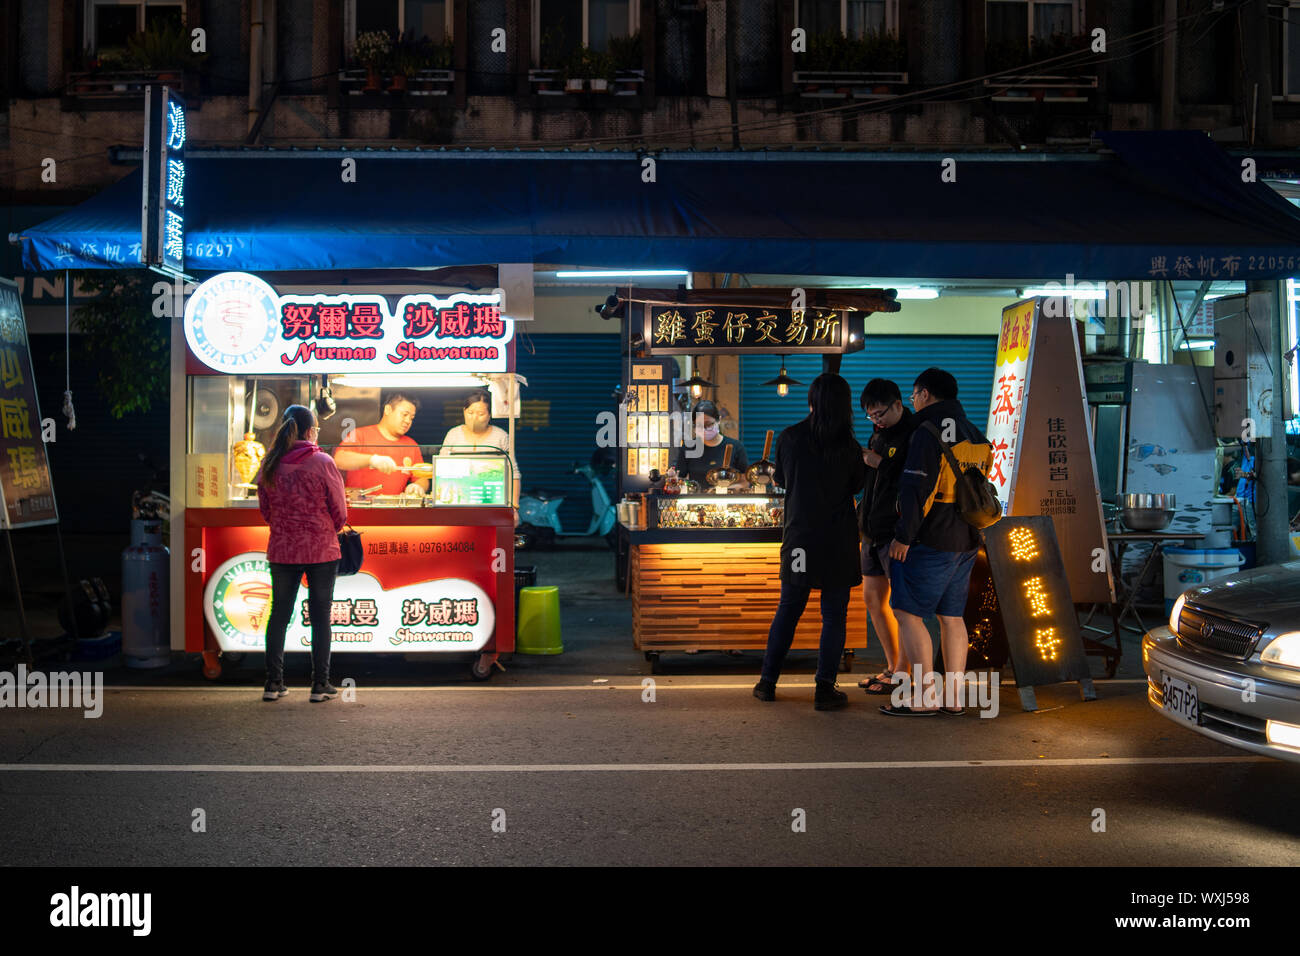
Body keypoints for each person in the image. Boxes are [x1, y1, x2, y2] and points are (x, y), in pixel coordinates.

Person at [882, 368, 993, 717]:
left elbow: (918, 489)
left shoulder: (927, 431)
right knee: (951, 616)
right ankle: (953, 697)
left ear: (925, 394)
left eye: (914, 395)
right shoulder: (975, 432)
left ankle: (925, 696)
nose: (913, 401)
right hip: (967, 538)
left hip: (932, 537)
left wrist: (904, 537)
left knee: (907, 613)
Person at [754, 374, 866, 711]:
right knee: (834, 615)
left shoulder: (789, 438)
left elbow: (782, 480)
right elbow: (857, 486)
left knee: (789, 609)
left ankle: (767, 683)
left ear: (811, 402)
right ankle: (824, 689)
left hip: (800, 538)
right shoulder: (850, 446)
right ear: (847, 407)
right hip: (838, 540)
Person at [255, 405, 348, 704]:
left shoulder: (270, 463)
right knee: (320, 617)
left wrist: (287, 529)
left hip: (283, 550)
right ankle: (320, 685)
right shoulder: (322, 462)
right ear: (310, 431)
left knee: (279, 614)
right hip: (321, 549)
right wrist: (322, 529)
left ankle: (273, 684)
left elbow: (265, 510)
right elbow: (340, 511)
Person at [855, 379, 915, 696]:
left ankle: (903, 673)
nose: (876, 420)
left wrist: (882, 463)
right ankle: (892, 666)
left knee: (902, 606)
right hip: (871, 528)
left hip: (896, 531)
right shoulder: (878, 434)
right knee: (873, 601)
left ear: (897, 404)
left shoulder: (914, 433)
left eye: (880, 413)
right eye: (870, 415)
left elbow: (918, 481)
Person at [439, 388, 521, 509]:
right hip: (458, 501)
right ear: (464, 411)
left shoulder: (500, 436)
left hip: (492, 501)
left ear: (489, 415)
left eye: (481, 414)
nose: (474, 418)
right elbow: (441, 470)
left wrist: (514, 507)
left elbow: (513, 473)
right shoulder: (453, 434)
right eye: (470, 412)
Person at [332, 392, 427, 496]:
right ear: (388, 410)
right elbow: (339, 459)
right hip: (359, 506)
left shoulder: (411, 445)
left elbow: (422, 477)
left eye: (412, 418)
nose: (408, 421)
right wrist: (372, 460)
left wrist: (418, 486)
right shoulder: (359, 434)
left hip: (394, 508)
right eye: (404, 415)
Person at [670, 399, 750, 489]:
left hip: (727, 501)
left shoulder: (736, 447)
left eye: (708, 424)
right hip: (696, 501)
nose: (704, 429)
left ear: (718, 420)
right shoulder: (688, 448)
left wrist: (725, 490)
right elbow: (680, 479)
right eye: (699, 425)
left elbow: (745, 483)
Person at [1235, 441, 1257, 541]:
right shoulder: (1246, 459)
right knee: (1241, 527)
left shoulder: (1257, 461)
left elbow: (1256, 475)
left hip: (1249, 500)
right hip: (1239, 498)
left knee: (1250, 527)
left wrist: (1245, 475)